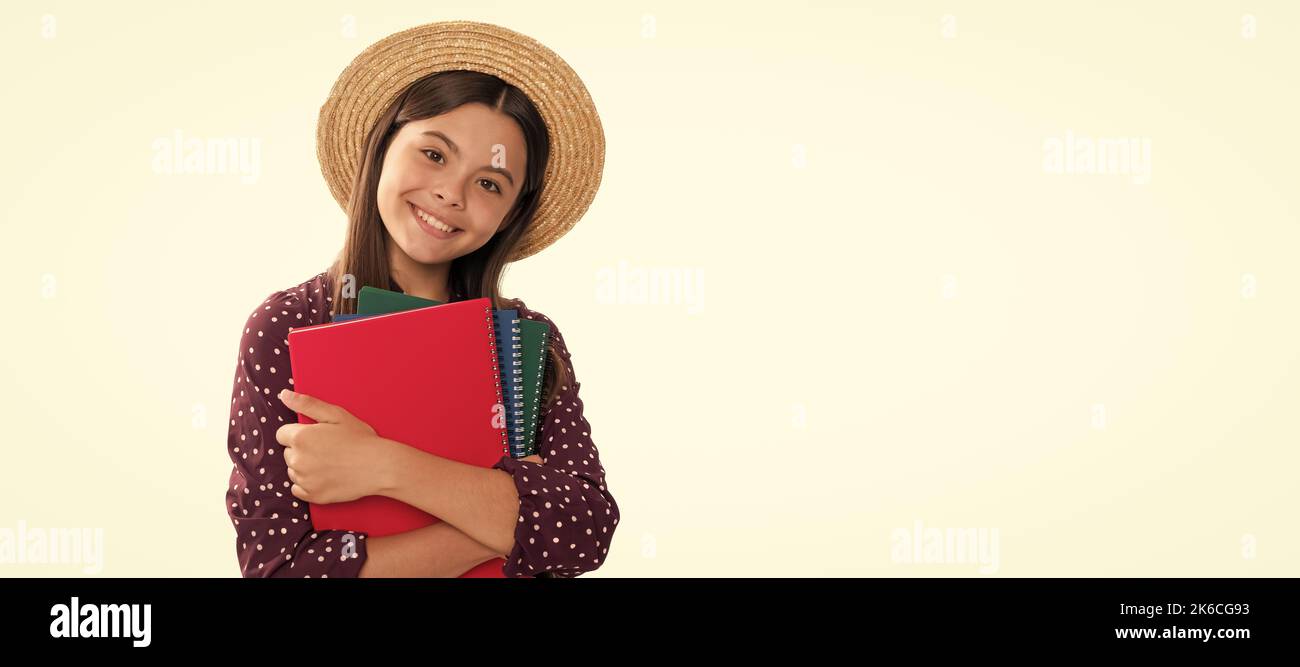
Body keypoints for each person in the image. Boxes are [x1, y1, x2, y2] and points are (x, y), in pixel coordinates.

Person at [224, 20, 618, 578]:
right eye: (434, 155)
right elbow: (280, 569)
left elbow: (585, 533)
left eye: (489, 184)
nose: (450, 194)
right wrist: (501, 517)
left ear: (509, 215)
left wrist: (384, 465)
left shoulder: (528, 340)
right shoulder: (289, 324)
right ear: (383, 146)